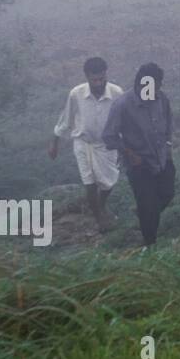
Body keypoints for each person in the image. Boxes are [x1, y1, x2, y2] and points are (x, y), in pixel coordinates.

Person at [102, 62, 175, 247]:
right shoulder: (122, 104)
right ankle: (150, 245)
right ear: (139, 84)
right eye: (150, 86)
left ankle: (145, 214)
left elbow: (168, 124)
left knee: (167, 194)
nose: (154, 90)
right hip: (139, 164)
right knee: (148, 206)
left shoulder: (162, 99)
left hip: (162, 159)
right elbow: (109, 136)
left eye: (157, 85)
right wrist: (128, 152)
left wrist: (167, 147)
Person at [49, 57, 123, 232]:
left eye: (101, 78)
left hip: (107, 145)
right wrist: (54, 142)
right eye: (94, 79)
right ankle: (98, 218)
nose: (98, 83)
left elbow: (124, 119)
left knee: (108, 182)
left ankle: (101, 205)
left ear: (106, 74)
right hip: (83, 143)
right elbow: (66, 119)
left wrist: (127, 143)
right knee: (89, 182)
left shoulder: (117, 93)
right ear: (87, 77)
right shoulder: (76, 93)